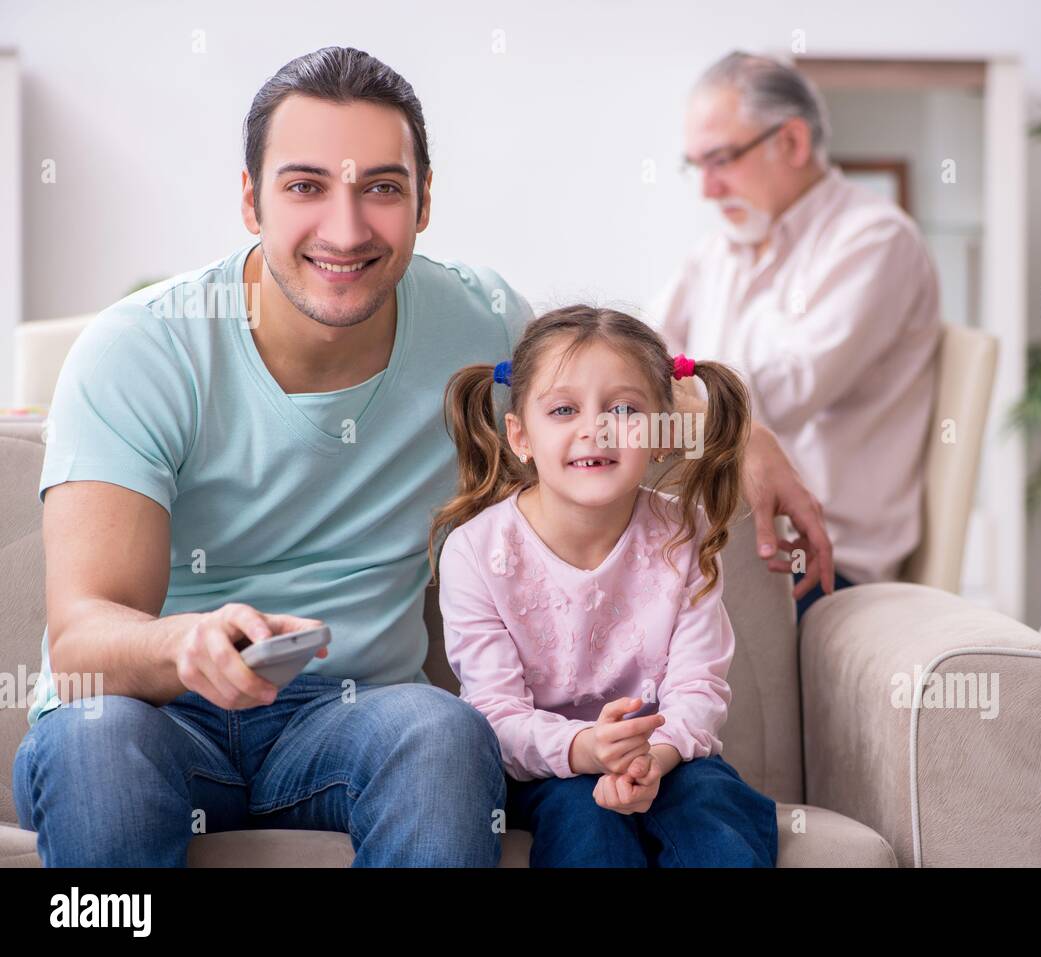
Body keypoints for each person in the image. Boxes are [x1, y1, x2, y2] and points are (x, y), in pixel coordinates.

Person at [12, 47, 828, 867]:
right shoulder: (140, 350)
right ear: (251, 200)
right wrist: (182, 643)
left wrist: (745, 435)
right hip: (150, 714)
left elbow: (607, 382)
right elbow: (85, 635)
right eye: (305, 186)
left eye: (381, 187)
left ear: (424, 200)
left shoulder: (475, 322)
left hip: (354, 713)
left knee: (443, 731)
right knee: (97, 741)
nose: (346, 227)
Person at [431, 305, 778, 867]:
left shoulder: (682, 533)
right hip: (546, 765)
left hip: (666, 755)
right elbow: (494, 713)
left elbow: (698, 687)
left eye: (624, 409)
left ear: (663, 433)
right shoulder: (476, 551)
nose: (594, 428)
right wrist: (586, 749)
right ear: (519, 434)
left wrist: (655, 758)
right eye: (564, 409)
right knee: (587, 822)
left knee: (713, 802)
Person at [649, 51, 942, 621]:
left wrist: (671, 386)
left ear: (792, 142)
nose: (707, 189)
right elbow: (642, 356)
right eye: (696, 166)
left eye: (722, 160)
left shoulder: (875, 240)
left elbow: (779, 395)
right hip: (726, 535)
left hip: (814, 558)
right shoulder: (718, 251)